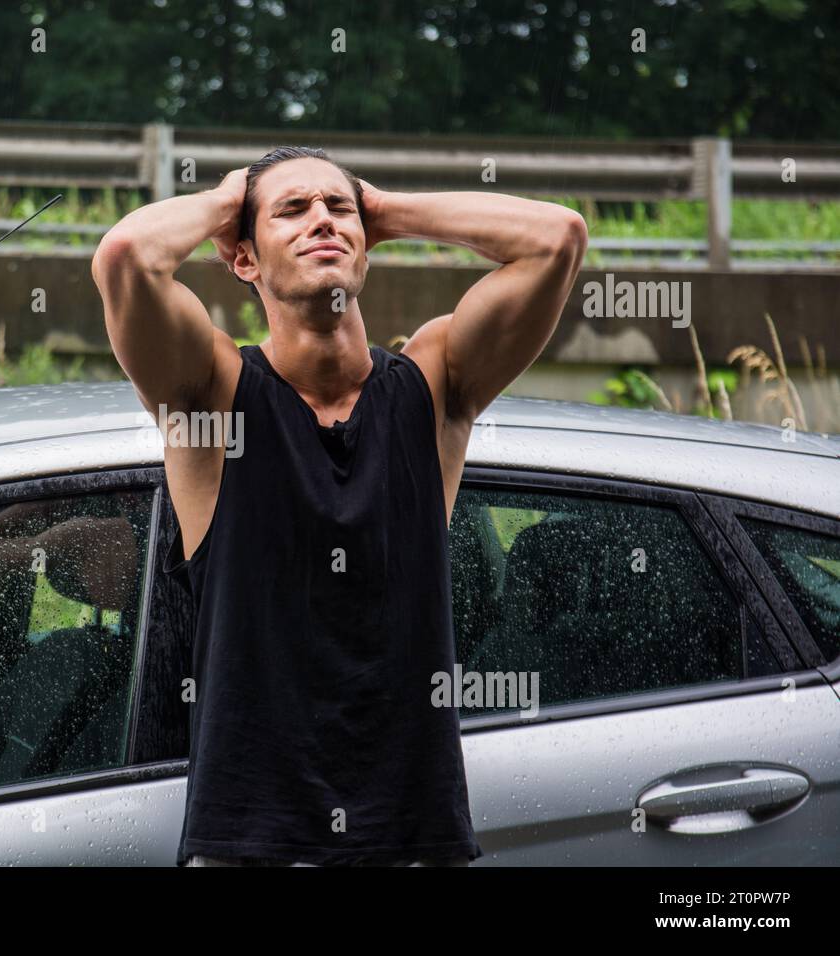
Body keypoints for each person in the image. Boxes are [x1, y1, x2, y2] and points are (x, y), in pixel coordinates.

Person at [90, 145, 587, 867]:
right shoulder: (212, 396)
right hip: (250, 850)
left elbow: (558, 238)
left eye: (337, 210)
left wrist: (380, 209)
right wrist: (234, 199)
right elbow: (128, 254)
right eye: (293, 211)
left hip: (415, 845)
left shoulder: (434, 384)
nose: (321, 220)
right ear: (244, 261)